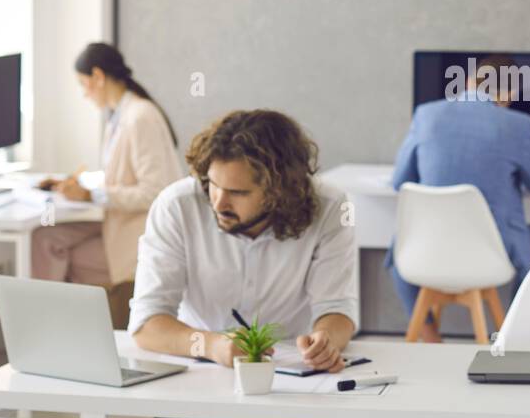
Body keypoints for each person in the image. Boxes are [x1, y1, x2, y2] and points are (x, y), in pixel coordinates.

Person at [128, 109, 358, 374]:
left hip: (291, 372)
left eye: (238, 192)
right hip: (197, 367)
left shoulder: (329, 207)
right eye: (213, 184)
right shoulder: (177, 205)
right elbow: (146, 324)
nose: (218, 202)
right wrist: (212, 346)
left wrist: (326, 340)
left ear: (278, 192)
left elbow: (336, 308)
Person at [386, 55, 530, 342]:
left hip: (425, 252)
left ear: (467, 82)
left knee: (396, 249)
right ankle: (513, 332)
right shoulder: (517, 125)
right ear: (509, 93)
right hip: (490, 255)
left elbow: (399, 181)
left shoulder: (426, 114)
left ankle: (428, 333)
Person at [30, 42, 184, 294]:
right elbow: (123, 175)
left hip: (139, 231)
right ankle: (46, 317)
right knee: (45, 237)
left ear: (98, 77)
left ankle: (47, 318)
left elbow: (155, 192)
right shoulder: (119, 117)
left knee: (56, 251)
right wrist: (78, 186)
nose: (84, 94)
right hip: (119, 218)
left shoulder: (140, 117)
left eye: (83, 84)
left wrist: (92, 195)